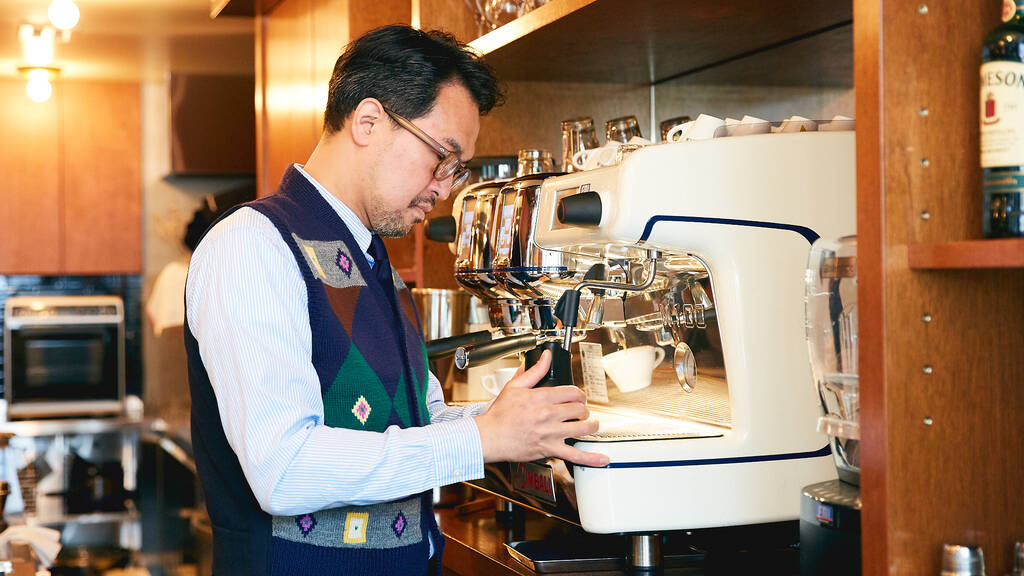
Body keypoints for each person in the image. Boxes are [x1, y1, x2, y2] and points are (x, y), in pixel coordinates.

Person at [185, 24, 608, 576]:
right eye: (443, 157)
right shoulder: (251, 244)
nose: (446, 187)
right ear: (368, 122)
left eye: (457, 169)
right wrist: (482, 436)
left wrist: (513, 423)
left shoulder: (374, 263)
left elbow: (419, 423)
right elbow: (283, 470)